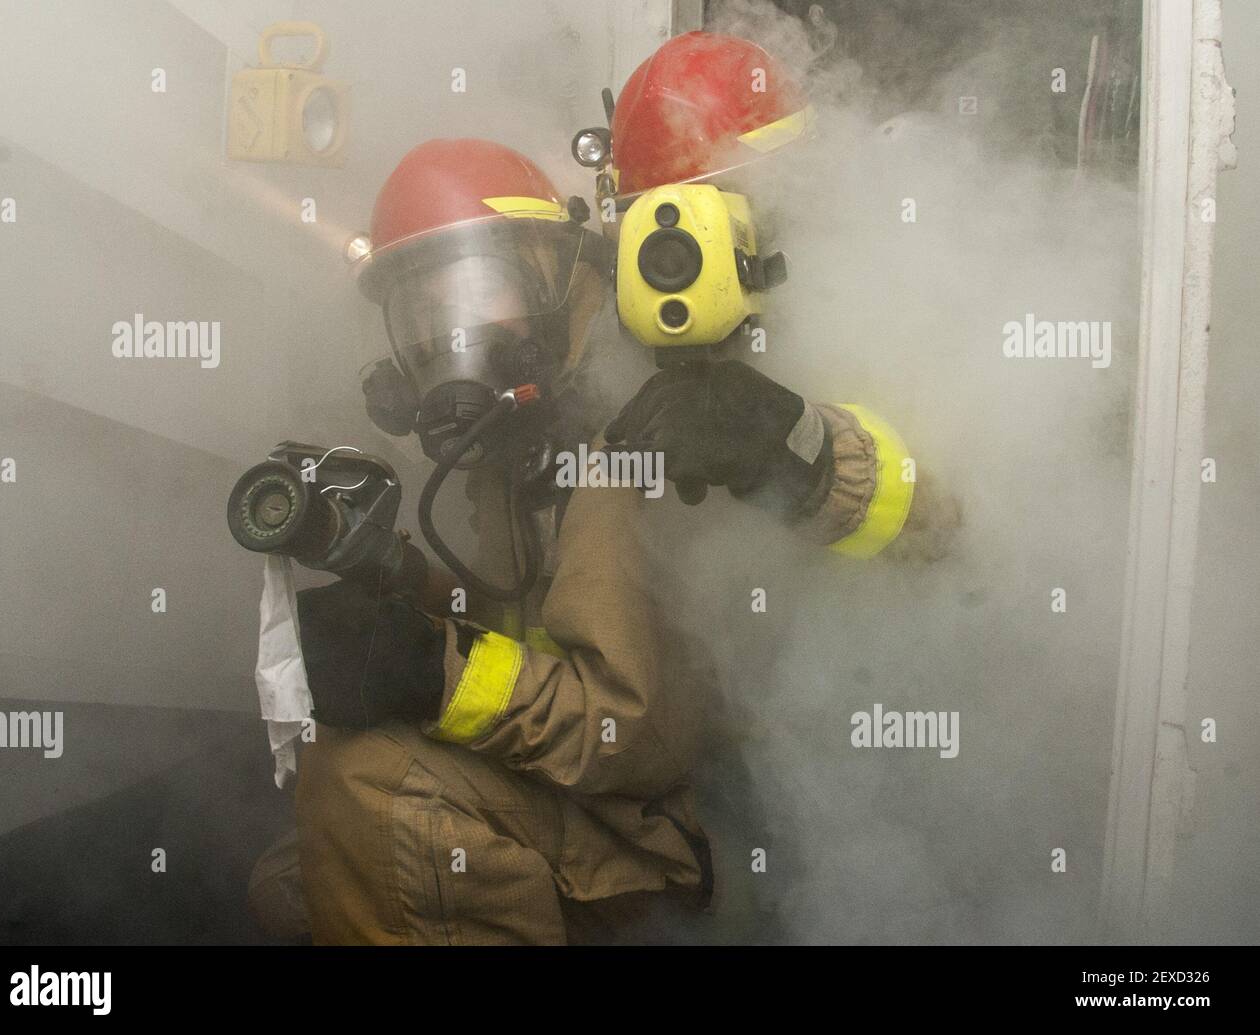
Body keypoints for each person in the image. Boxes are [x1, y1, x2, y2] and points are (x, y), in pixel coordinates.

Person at [289, 138, 714, 944]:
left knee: (371, 793)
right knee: (288, 879)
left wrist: (431, 668)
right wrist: (396, 576)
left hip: (648, 833)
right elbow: (520, 630)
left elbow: (632, 733)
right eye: (424, 312)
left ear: (553, 288)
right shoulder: (516, 455)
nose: (453, 337)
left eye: (480, 295)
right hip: (576, 798)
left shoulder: (614, 454)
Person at [599, 31, 959, 559]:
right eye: (651, 227)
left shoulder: (901, 300)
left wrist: (796, 452)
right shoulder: (610, 341)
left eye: (726, 217)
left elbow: (952, 533)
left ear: (798, 194)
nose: (682, 256)